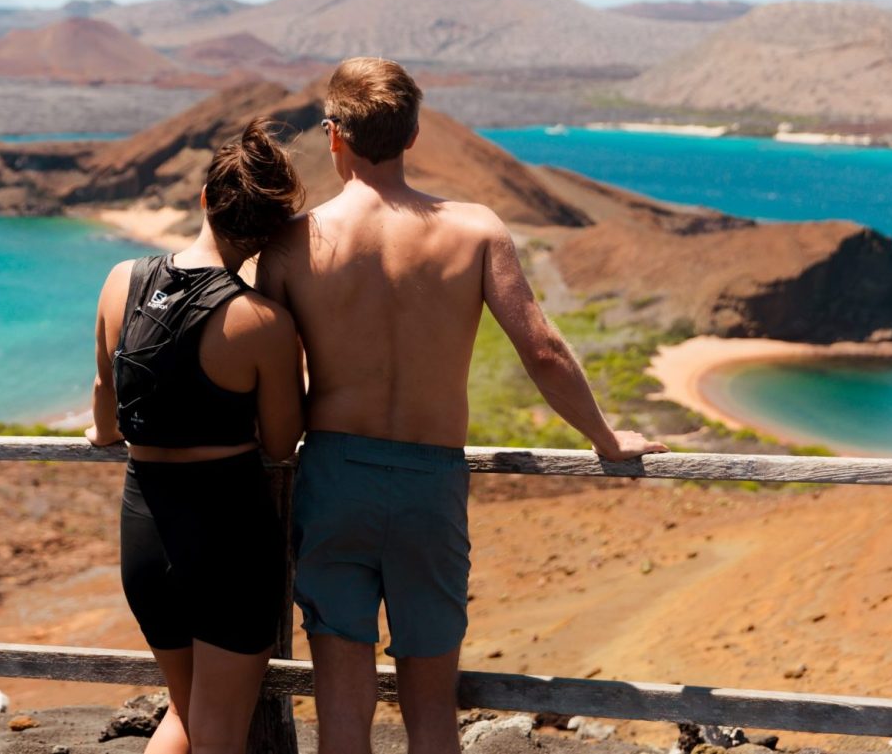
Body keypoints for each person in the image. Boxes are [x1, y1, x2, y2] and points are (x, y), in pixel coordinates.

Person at [257, 58, 668, 754]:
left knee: (343, 720)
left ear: (334, 135)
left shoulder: (293, 243)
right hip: (429, 483)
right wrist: (605, 437)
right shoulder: (476, 230)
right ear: (414, 134)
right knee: (432, 717)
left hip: (333, 480)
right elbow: (543, 350)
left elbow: (264, 365)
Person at [86, 119, 307, 754]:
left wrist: (101, 431)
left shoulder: (121, 280)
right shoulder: (262, 322)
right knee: (218, 733)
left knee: (183, 717)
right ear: (270, 229)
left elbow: (106, 408)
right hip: (226, 533)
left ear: (205, 198)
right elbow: (280, 444)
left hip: (144, 529)